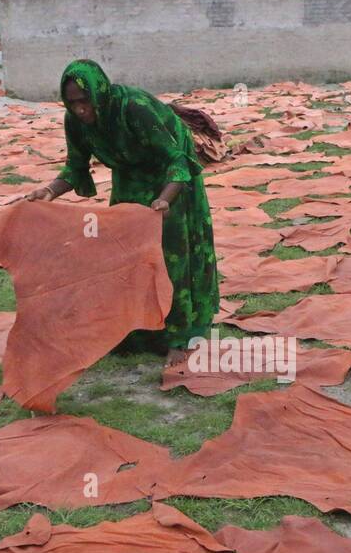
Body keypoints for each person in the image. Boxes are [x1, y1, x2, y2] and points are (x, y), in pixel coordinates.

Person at [28, 59, 220, 365]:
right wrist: (49, 191)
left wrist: (164, 201)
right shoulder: (75, 121)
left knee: (170, 254)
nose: (80, 109)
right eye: (73, 102)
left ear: (100, 92)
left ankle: (179, 337)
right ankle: (136, 331)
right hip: (129, 178)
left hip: (170, 177)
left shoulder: (134, 107)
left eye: (85, 100)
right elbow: (75, 166)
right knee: (126, 256)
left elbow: (177, 161)